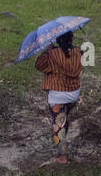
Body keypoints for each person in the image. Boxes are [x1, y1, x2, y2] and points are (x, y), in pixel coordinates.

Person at [34, 30, 83, 164]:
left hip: (58, 95)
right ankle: (63, 147)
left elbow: (39, 65)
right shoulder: (78, 51)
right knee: (64, 119)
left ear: (57, 40)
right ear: (71, 39)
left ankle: (62, 156)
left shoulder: (52, 54)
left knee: (58, 125)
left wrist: (47, 51)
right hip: (73, 94)